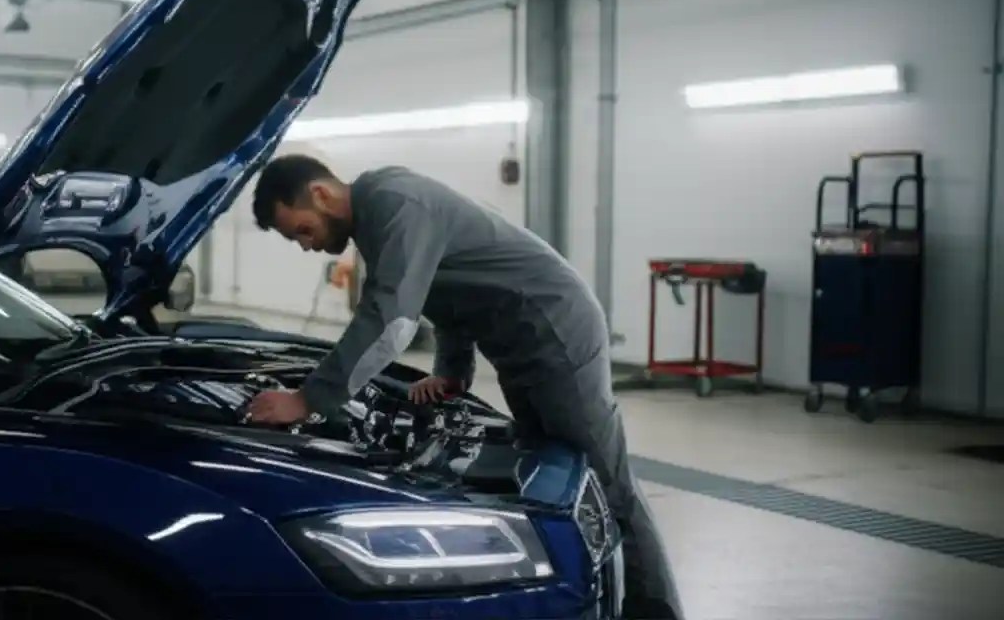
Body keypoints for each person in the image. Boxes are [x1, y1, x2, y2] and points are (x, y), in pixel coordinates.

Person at [245, 155, 684, 620]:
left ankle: (655, 611)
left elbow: (389, 320)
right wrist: (452, 369)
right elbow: (449, 289)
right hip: (520, 343)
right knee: (551, 474)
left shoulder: (395, 203)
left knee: (605, 481)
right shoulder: (377, 219)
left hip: (556, 331)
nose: (307, 246)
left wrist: (307, 399)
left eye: (302, 231)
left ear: (321, 195)